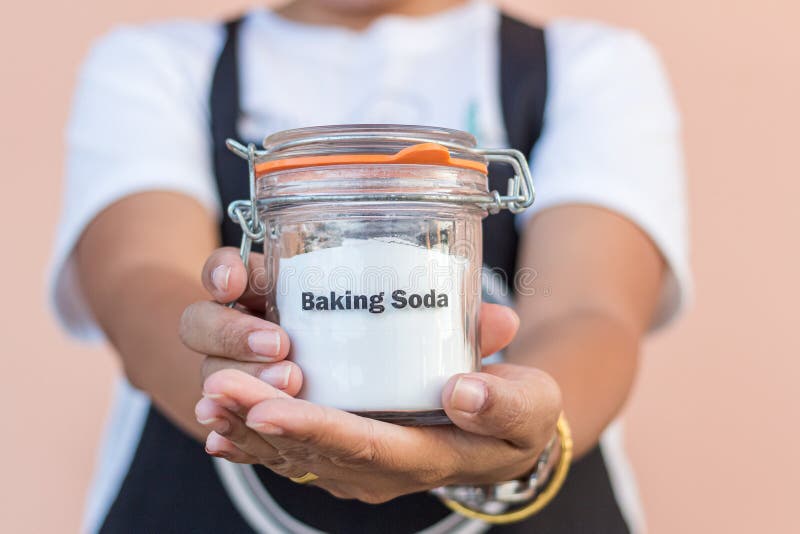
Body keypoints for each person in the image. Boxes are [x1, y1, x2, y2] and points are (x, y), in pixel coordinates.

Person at [51, 0, 689, 532]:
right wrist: (236, 377)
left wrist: (517, 428)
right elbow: (139, 283)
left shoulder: (589, 65)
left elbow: (590, 309)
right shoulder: (157, 64)